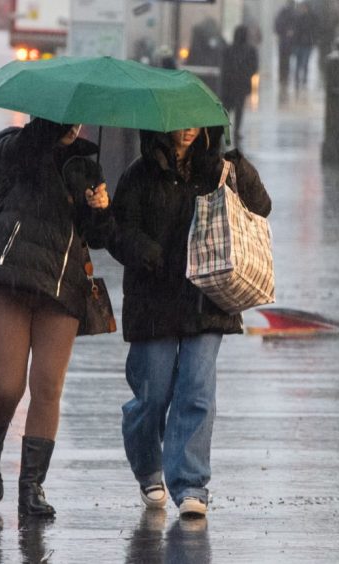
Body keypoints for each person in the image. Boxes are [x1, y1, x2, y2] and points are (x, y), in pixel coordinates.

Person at [108, 126, 271, 518]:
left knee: (197, 390)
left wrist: (238, 166)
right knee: (152, 394)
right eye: (179, 122)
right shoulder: (139, 174)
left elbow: (261, 207)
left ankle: (190, 483)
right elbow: (115, 233)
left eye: (195, 122)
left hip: (208, 298)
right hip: (154, 300)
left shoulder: (218, 168)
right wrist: (145, 251)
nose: (187, 130)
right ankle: (149, 467)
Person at [0, 117, 112, 517]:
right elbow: (27, 149)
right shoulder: (13, 147)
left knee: (47, 386)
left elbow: (97, 237)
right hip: (10, 276)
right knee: (6, 386)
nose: (73, 126)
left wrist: (99, 209)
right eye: (64, 119)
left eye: (78, 119)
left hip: (61, 289)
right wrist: (52, 131)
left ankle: (31, 488)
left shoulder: (86, 166)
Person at [220, 25, 259, 143]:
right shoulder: (251, 50)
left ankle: (222, 129)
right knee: (239, 108)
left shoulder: (228, 49)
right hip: (242, 84)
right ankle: (236, 131)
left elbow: (223, 66)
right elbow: (254, 68)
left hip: (228, 84)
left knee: (226, 107)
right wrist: (245, 74)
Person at [291, 1, 319, 90]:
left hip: (306, 44)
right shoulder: (298, 17)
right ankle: (299, 80)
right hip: (300, 43)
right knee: (299, 63)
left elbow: (314, 29)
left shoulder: (310, 18)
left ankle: (303, 80)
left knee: (304, 62)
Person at [273, 0, 296, 90]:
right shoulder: (292, 14)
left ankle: (283, 76)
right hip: (287, 42)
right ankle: (284, 76)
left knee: (283, 60)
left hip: (283, 42)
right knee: (286, 60)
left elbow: (277, 26)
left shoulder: (282, 14)